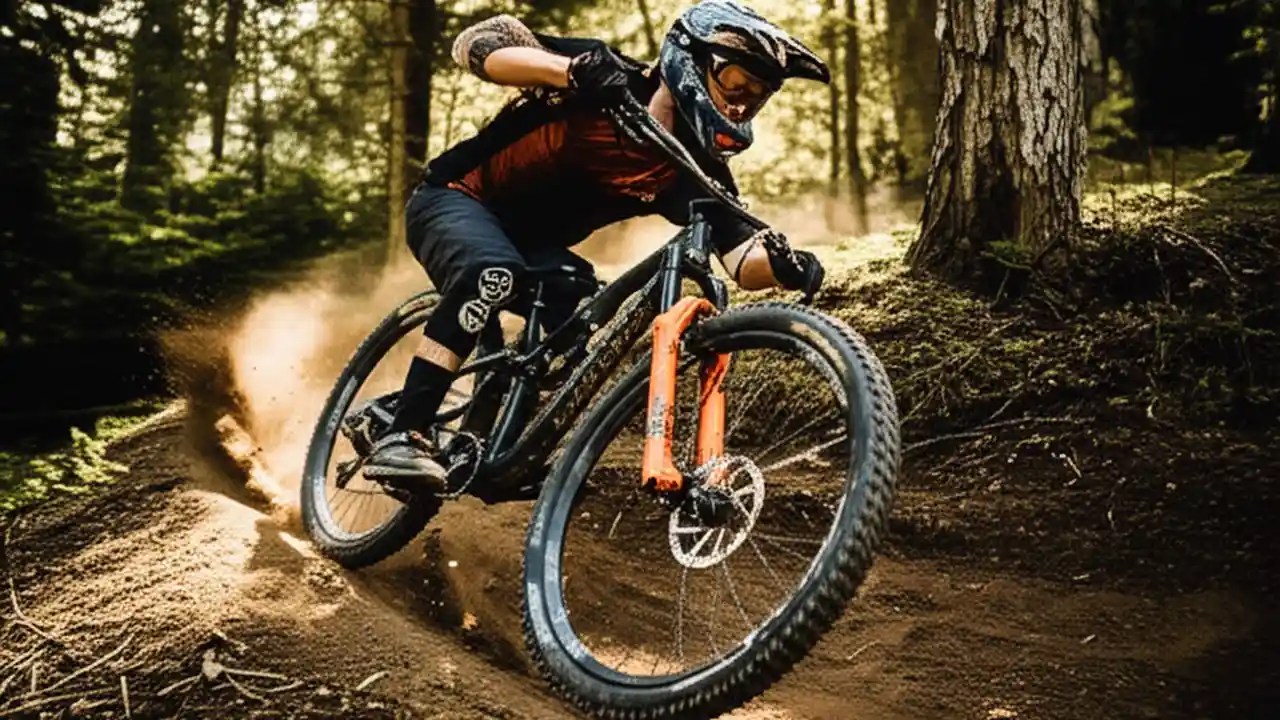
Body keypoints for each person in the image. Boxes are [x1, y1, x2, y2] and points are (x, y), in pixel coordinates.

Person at [362, 0, 830, 491]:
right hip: (457, 197)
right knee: (490, 273)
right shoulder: (609, 77)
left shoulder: (696, 172)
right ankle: (403, 431)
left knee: (578, 311)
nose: (740, 105)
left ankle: (493, 452)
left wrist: (787, 266)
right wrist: (570, 72)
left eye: (755, 98)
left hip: (534, 248)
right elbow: (475, 46)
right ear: (691, 58)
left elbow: (743, 261)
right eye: (735, 85)